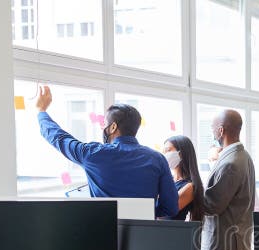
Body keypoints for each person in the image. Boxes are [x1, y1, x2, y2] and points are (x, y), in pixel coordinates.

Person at [35, 85, 178, 218]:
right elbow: (171, 208)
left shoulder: (93, 154)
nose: (102, 128)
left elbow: (60, 139)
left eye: (104, 124)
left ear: (113, 127)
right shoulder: (157, 159)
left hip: (103, 236)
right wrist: (145, 211)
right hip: (143, 237)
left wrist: (42, 111)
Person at [202, 110, 255, 250]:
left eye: (212, 129)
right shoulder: (244, 157)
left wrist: (191, 188)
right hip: (237, 249)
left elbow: (211, 205)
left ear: (221, 130)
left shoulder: (230, 163)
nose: (212, 133)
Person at [162, 136, 206, 221]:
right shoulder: (169, 180)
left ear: (181, 154)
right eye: (163, 152)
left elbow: (166, 210)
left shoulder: (189, 187)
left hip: (171, 232)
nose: (164, 155)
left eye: (168, 150)